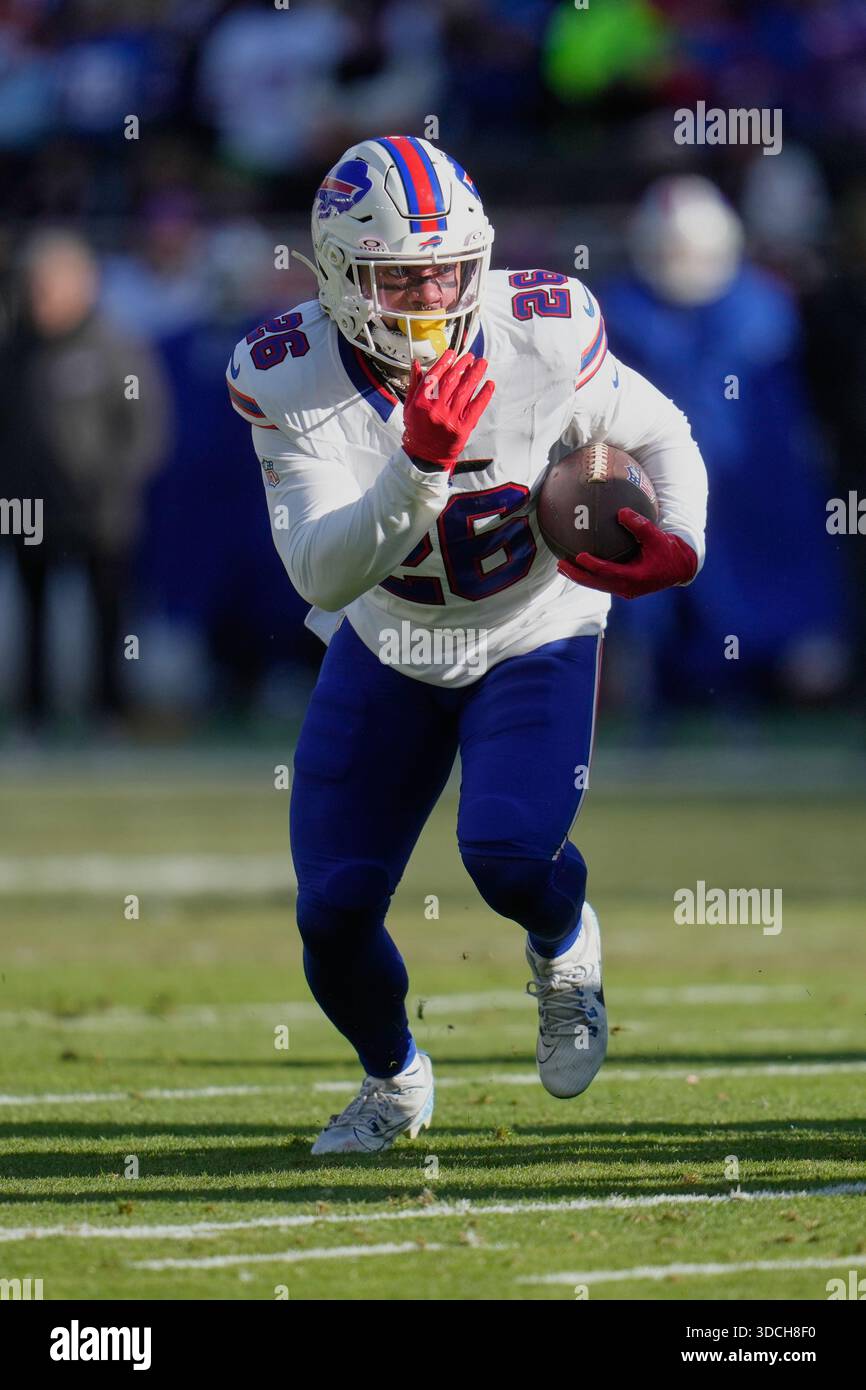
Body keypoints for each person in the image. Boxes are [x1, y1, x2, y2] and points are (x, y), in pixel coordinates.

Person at [227, 137, 707, 1154]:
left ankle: (562, 942)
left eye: (448, 267)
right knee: (334, 908)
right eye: (403, 277)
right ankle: (393, 1081)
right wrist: (417, 468)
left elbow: (662, 431)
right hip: (388, 638)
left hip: (534, 624)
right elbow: (319, 572)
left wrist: (684, 548)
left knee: (504, 852)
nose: (433, 294)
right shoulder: (290, 375)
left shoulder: (540, 333)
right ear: (343, 276)